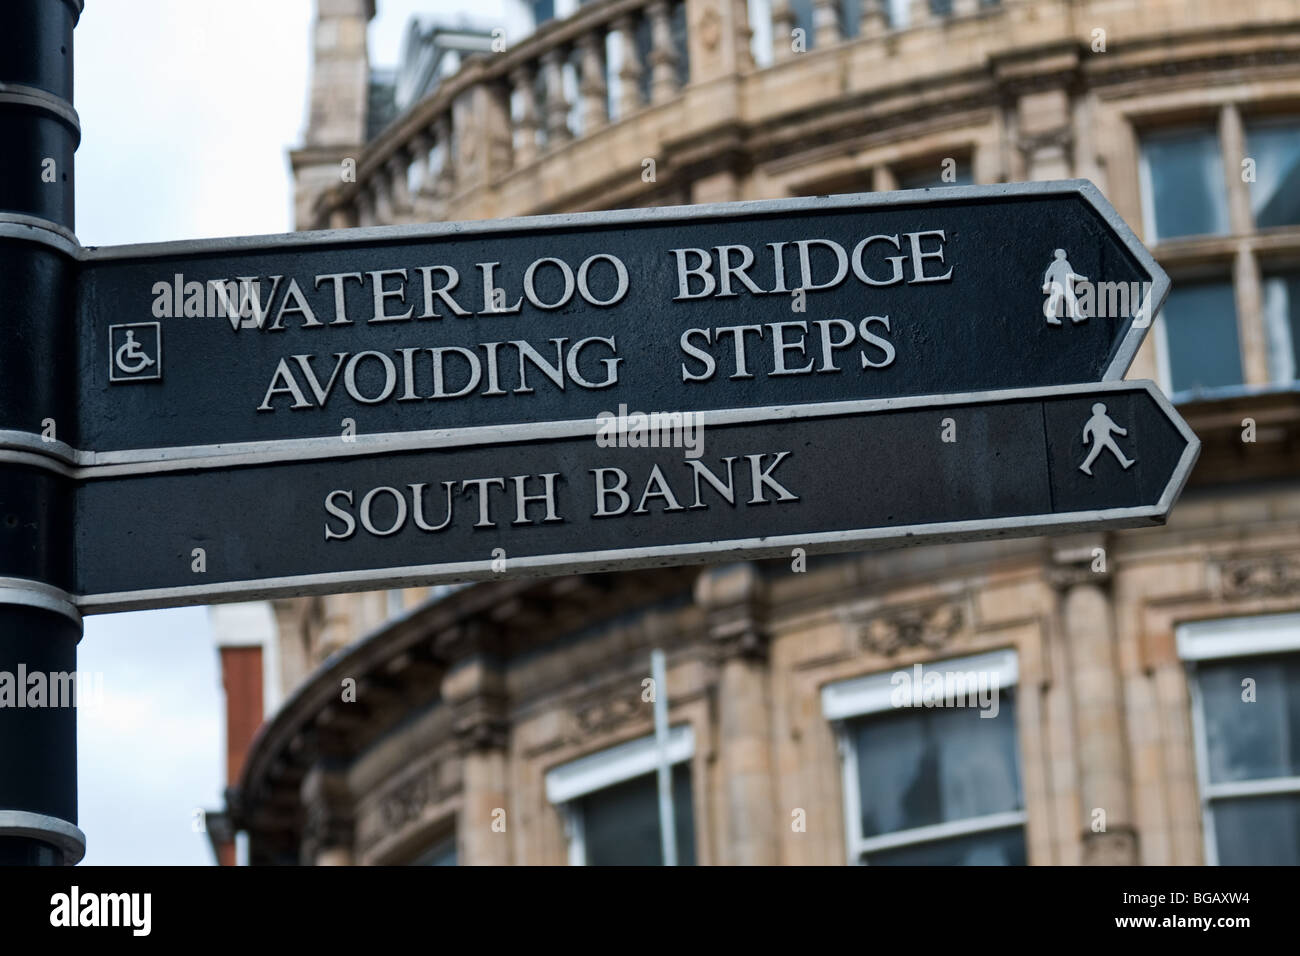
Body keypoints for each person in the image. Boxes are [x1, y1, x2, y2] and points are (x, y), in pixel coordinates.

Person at [1079, 402, 1135, 475]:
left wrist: (1085, 439)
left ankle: (1124, 462)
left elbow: (1086, 430)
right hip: (1103, 438)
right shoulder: (1105, 418)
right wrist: (1121, 431)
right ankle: (1085, 465)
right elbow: (1113, 427)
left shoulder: (1092, 419)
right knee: (1097, 452)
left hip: (1104, 438)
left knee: (1112, 449)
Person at [1042, 249, 1086, 325]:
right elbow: (1048, 274)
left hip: (1065, 286)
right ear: (1057, 255)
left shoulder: (1066, 264)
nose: (1065, 254)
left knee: (1073, 300)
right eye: (1062, 253)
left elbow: (1072, 275)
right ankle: (1050, 318)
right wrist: (1046, 284)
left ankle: (1076, 316)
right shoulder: (1054, 264)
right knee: (1054, 301)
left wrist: (1082, 278)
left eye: (1064, 253)